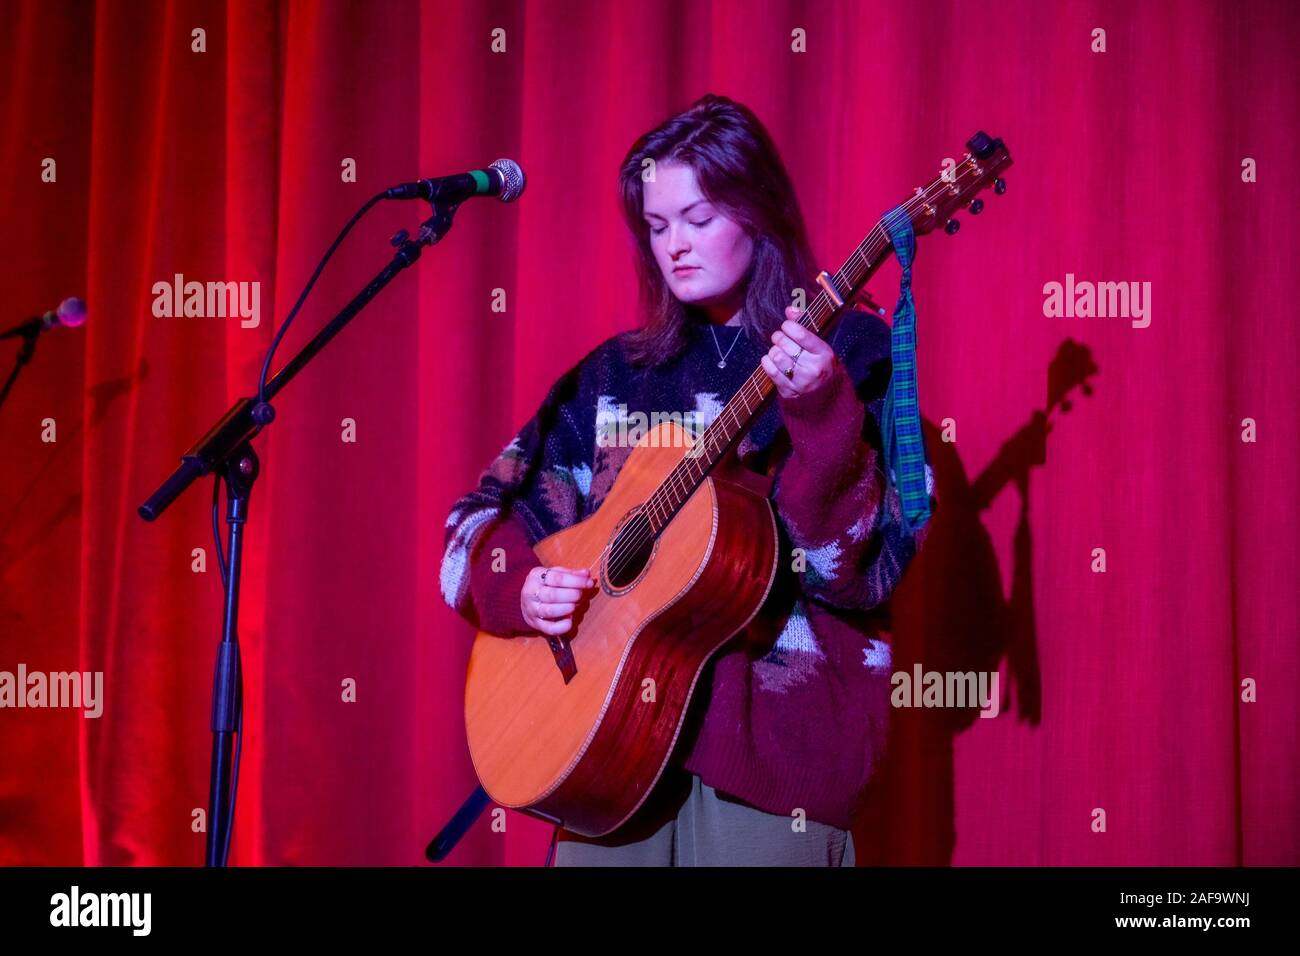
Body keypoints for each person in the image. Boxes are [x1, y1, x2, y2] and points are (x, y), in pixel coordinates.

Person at [440, 93, 933, 866]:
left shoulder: (854, 355)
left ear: (758, 211)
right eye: (657, 225)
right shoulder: (615, 375)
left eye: (698, 219)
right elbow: (472, 526)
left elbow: (861, 574)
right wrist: (519, 591)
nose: (674, 246)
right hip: (601, 757)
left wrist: (823, 418)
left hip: (773, 769)